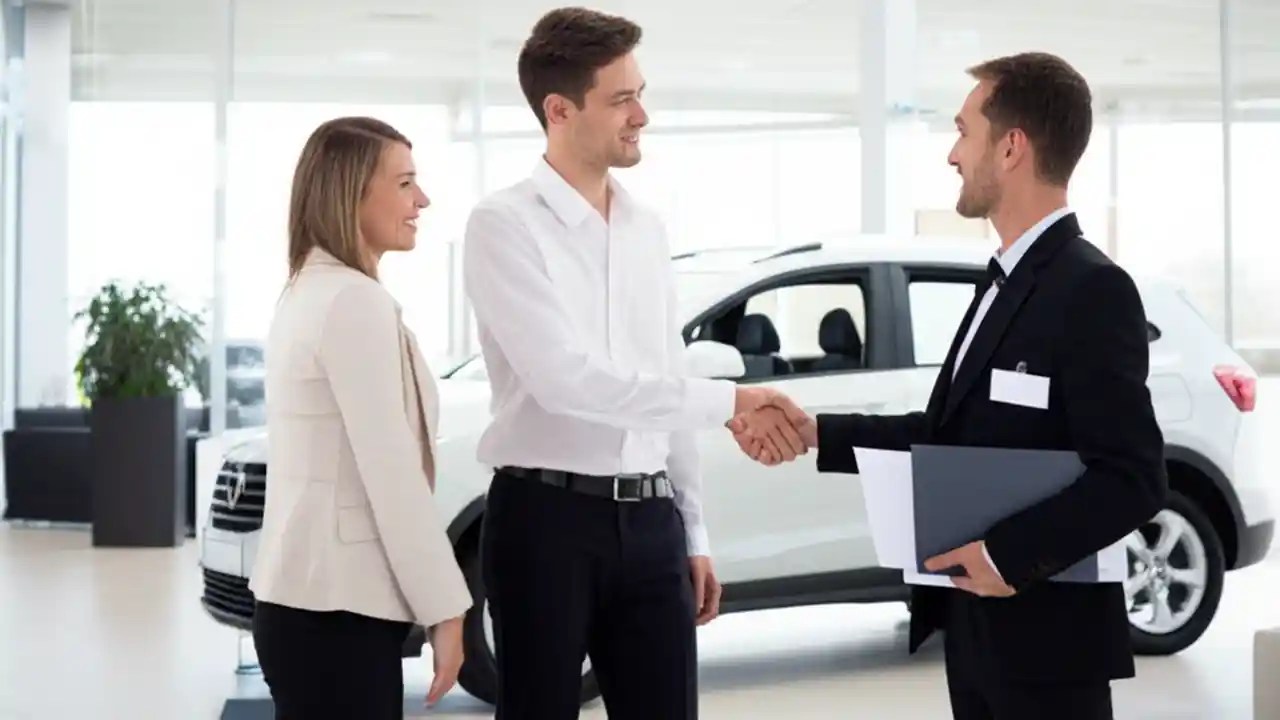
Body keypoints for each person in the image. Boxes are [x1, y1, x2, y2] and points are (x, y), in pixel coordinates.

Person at [735, 53, 1167, 720]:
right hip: (975, 636)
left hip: (1049, 650)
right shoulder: (999, 280)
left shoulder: (1092, 288)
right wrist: (814, 432)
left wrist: (1007, 555)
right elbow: (944, 437)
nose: (952, 155)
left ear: (1012, 147)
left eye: (964, 131)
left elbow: (1133, 476)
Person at [461, 8, 805, 719]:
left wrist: (694, 529)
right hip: (545, 522)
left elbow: (665, 374)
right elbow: (565, 382)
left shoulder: (648, 228)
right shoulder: (503, 225)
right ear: (559, 110)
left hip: (651, 525)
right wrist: (734, 403)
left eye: (640, 93)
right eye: (622, 99)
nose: (641, 115)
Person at [250, 117, 472, 719]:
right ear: (351, 195)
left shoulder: (310, 290)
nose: (421, 199)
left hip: (305, 606)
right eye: (405, 183)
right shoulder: (353, 302)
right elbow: (392, 476)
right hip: (337, 614)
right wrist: (447, 610)